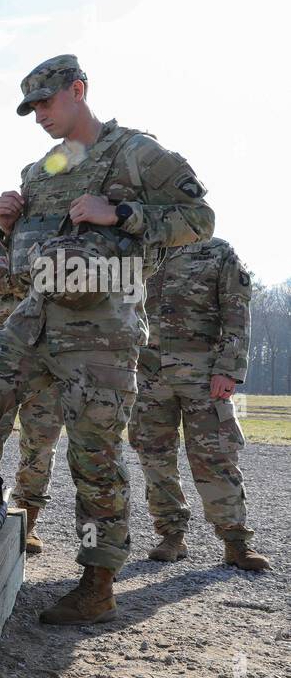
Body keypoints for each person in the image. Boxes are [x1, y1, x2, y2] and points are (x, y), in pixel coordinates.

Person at [0, 54, 214, 626]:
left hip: (102, 334)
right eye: (30, 107)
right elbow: (28, 254)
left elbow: (199, 219)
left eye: (45, 103)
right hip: (33, 321)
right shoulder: (45, 168)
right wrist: (10, 226)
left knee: (95, 455)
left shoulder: (137, 153)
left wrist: (123, 212)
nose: (37, 116)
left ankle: (97, 583)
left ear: (78, 90)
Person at [128, 238, 270, 570]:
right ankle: (171, 536)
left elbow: (237, 312)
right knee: (154, 458)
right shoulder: (140, 250)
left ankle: (236, 542)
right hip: (148, 373)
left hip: (204, 374)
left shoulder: (217, 252)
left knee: (216, 456)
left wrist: (228, 368)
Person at [0, 227, 63, 554]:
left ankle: (28, 523)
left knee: (40, 445)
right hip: (4, 349)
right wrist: (41, 276)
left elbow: (69, 279)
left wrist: (22, 275)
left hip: (51, 352)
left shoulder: (60, 232)